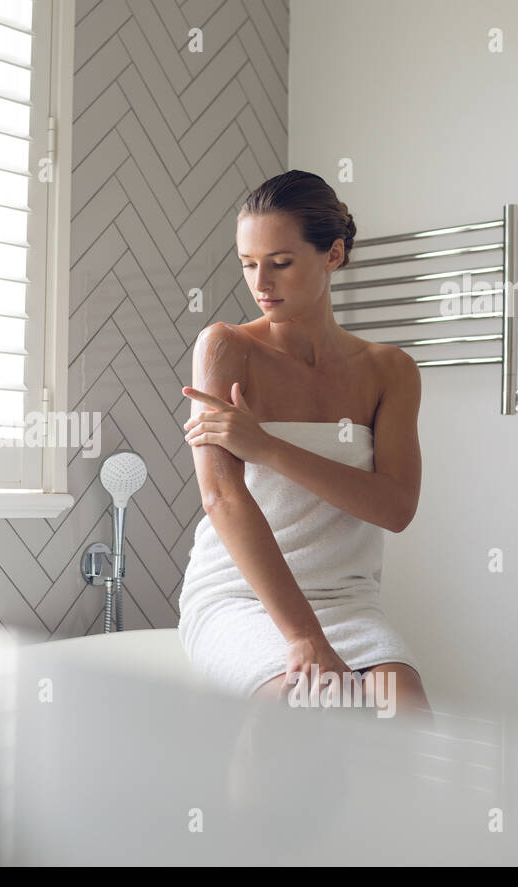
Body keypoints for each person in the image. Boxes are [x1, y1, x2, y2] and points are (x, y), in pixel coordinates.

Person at [176, 169, 432, 724]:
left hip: (346, 600)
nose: (260, 281)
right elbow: (220, 499)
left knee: (410, 725)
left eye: (281, 262)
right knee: (306, 712)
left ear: (333, 255)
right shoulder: (224, 347)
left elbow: (395, 508)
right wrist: (303, 637)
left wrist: (267, 448)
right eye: (248, 264)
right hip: (243, 597)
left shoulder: (390, 371)